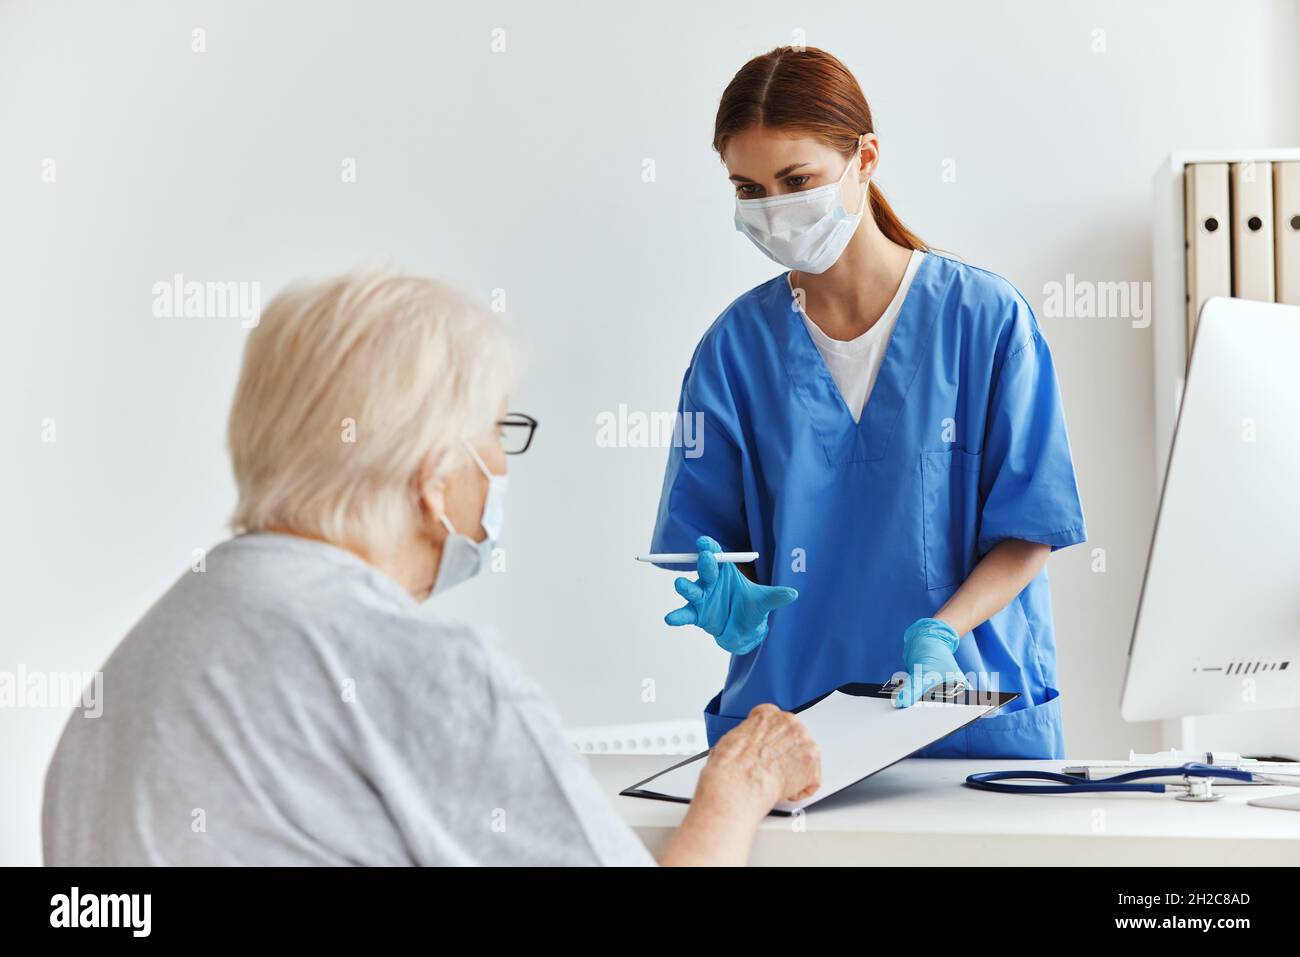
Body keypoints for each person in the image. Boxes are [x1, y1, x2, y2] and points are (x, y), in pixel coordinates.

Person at [42, 267, 820, 866]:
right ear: (431, 476)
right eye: (496, 432)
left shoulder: (139, 665)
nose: (499, 466)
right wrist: (737, 786)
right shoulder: (423, 671)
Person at [651, 47, 1087, 759]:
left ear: (866, 158)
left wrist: (941, 629)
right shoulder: (733, 351)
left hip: (966, 718)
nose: (774, 209)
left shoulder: (984, 321)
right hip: (792, 737)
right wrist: (734, 608)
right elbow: (721, 550)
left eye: (797, 180)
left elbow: (1031, 526)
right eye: (748, 188)